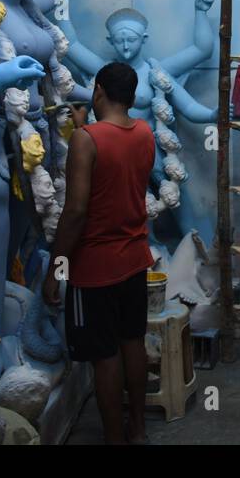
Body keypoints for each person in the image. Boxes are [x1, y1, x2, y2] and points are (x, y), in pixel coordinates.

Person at [44, 62, 156, 444]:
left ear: (97, 93)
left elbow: (75, 212)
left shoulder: (87, 140)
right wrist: (82, 131)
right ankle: (137, 429)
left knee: (105, 356)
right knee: (132, 343)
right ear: (133, 96)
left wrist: (54, 271)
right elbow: (117, 167)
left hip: (94, 268)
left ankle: (112, 438)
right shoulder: (144, 132)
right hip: (134, 259)